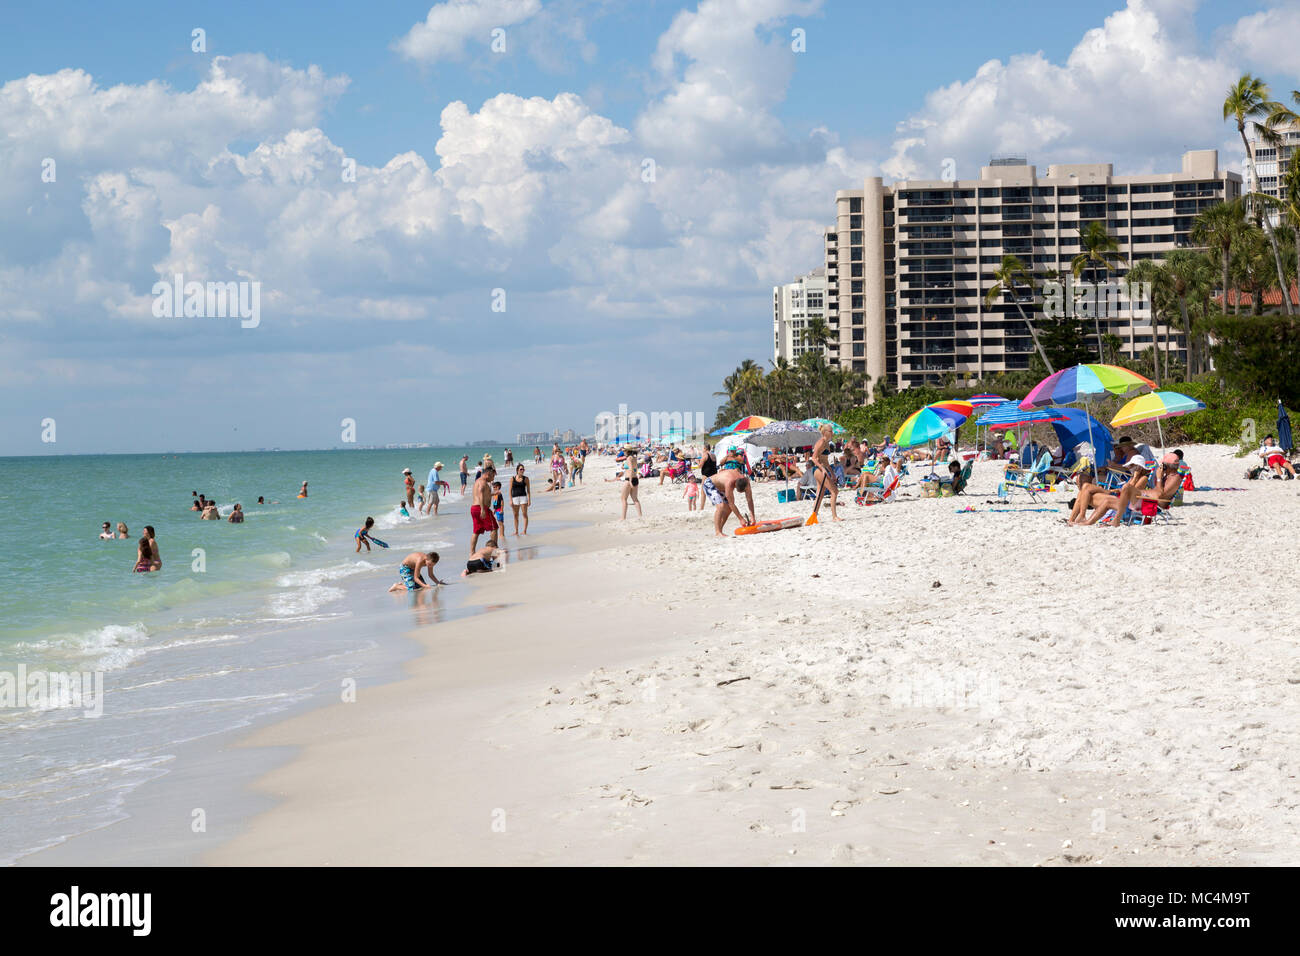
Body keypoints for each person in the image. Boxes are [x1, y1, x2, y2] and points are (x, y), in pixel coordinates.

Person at [701, 468, 756, 536]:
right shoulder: (729, 483)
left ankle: (720, 530)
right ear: (734, 485)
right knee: (721, 506)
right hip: (710, 484)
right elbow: (731, 503)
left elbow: (749, 499)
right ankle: (718, 532)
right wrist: (741, 519)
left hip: (722, 486)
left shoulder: (746, 482)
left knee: (729, 509)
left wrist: (752, 517)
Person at [809, 424, 843, 521]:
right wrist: (823, 469)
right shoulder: (821, 442)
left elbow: (826, 462)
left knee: (820, 493)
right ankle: (834, 517)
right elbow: (814, 458)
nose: (832, 433)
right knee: (834, 491)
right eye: (830, 431)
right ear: (825, 432)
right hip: (818, 469)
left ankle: (813, 516)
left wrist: (832, 473)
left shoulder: (827, 443)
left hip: (822, 469)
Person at [470, 465, 498, 552]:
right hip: (481, 508)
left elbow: (483, 494)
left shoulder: (477, 481)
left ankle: (472, 552)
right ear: (488, 474)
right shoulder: (482, 482)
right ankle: (493, 550)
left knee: (476, 531)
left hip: (474, 508)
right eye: (492, 476)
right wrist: (482, 508)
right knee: (494, 528)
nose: (493, 479)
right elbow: (481, 492)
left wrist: (493, 493)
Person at [619, 447, 642, 519]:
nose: (623, 452)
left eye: (624, 450)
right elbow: (634, 469)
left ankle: (623, 517)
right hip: (635, 478)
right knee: (635, 499)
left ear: (627, 451)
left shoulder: (629, 458)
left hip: (629, 479)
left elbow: (631, 469)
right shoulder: (634, 458)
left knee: (623, 499)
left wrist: (630, 481)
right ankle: (640, 516)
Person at [509, 464, 531, 535]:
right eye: (521, 469)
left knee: (524, 514)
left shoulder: (526, 479)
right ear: (517, 470)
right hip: (515, 498)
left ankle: (524, 530)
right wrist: (510, 500)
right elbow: (510, 490)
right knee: (515, 515)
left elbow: (528, 490)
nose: (522, 470)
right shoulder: (512, 478)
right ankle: (516, 531)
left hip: (523, 498)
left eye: (523, 469)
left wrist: (529, 500)